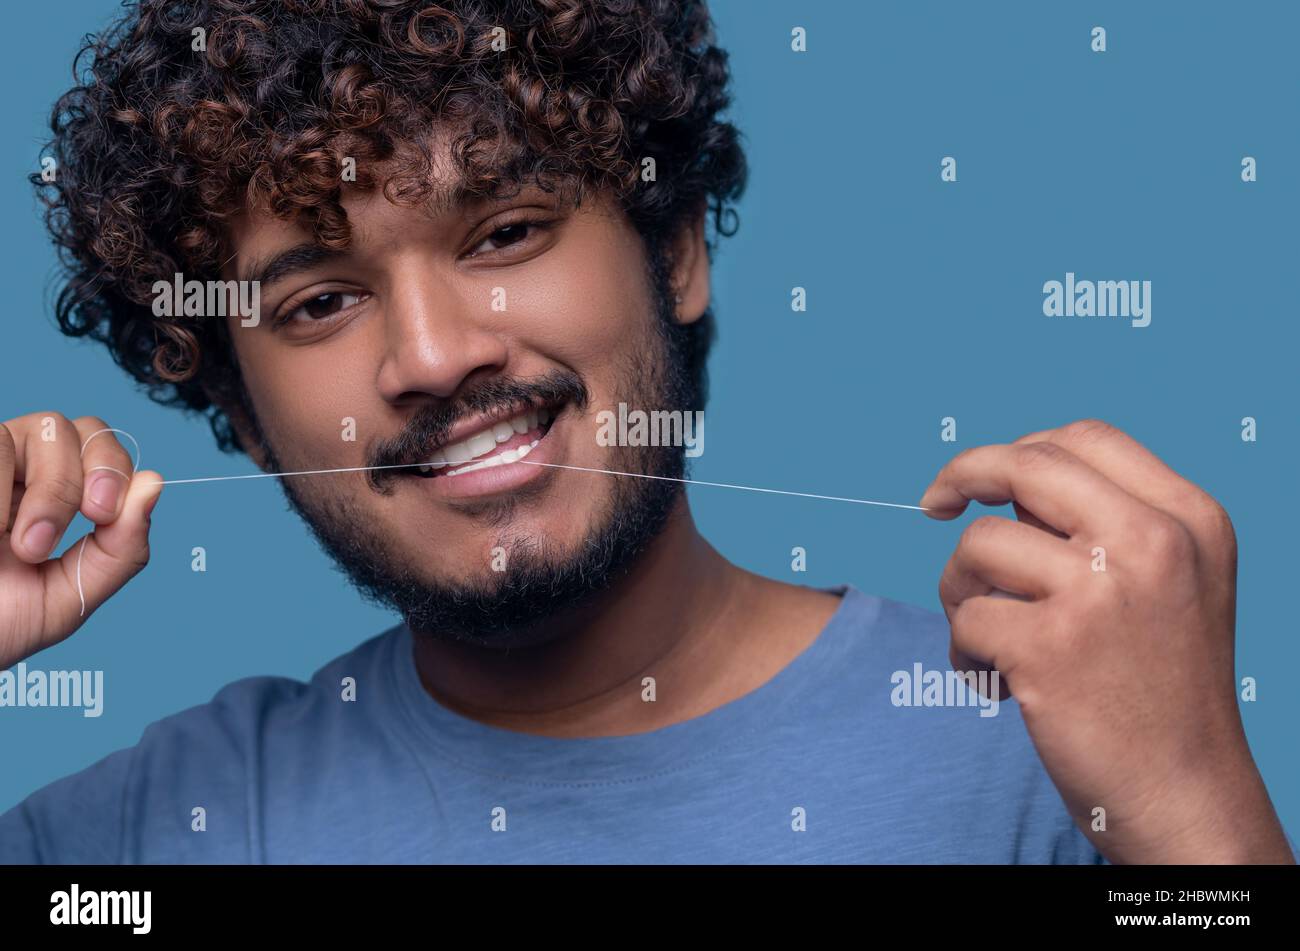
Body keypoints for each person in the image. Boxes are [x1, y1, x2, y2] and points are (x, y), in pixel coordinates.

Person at [0, 0, 1294, 864]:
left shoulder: (1054, 749)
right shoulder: (142, 840)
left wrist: (1194, 812)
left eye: (504, 232)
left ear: (674, 252)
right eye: (321, 300)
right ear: (238, 404)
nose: (438, 353)